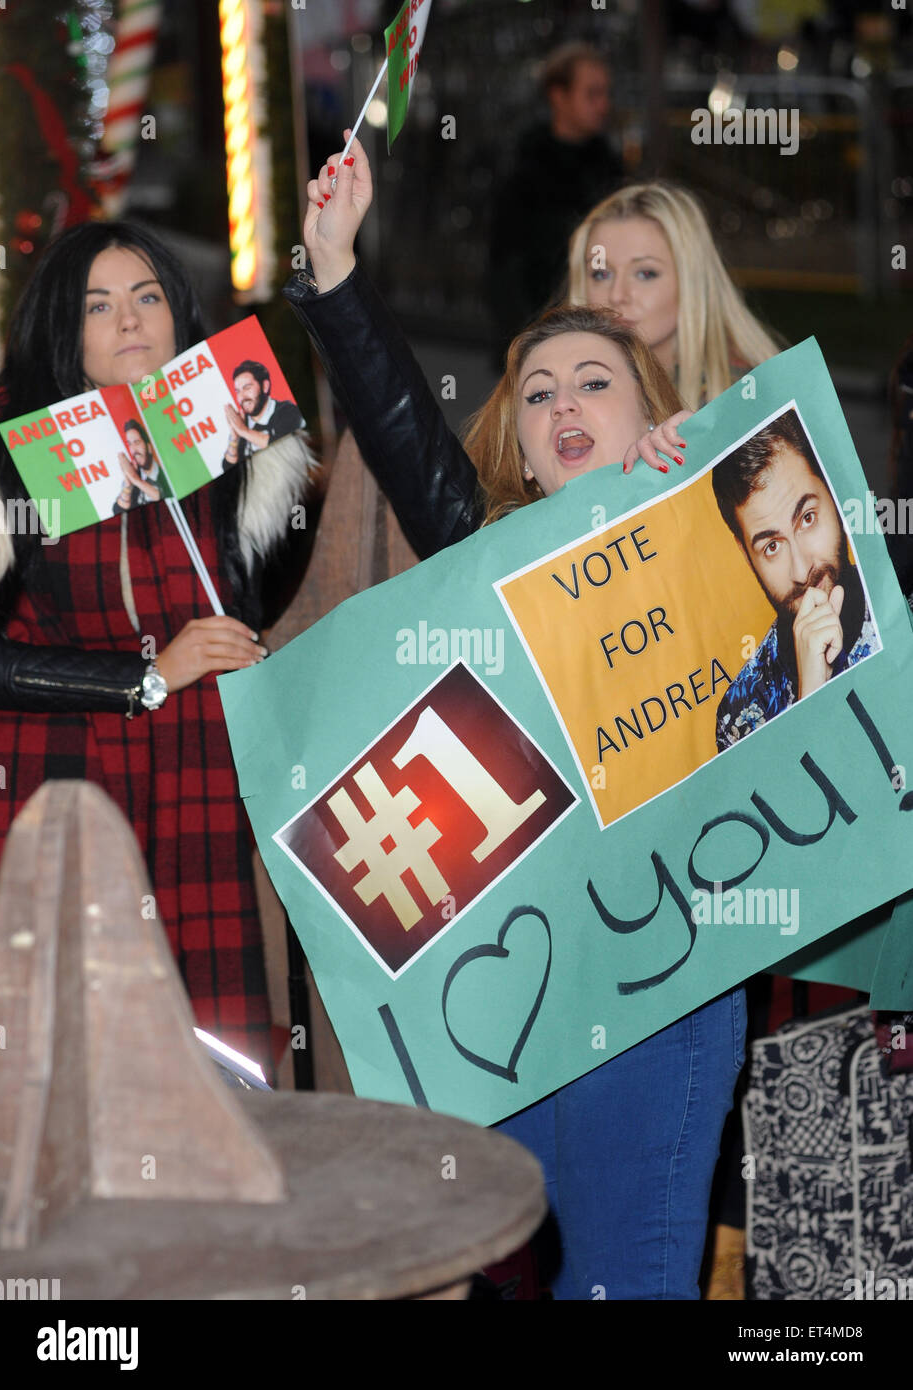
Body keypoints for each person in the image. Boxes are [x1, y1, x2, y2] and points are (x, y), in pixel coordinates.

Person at [285, 137, 743, 1301]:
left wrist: (684, 512)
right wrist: (333, 271)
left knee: (626, 1285)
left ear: (653, 414)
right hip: (504, 1000)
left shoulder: (719, 538)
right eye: (537, 395)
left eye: (595, 382)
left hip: (660, 1001)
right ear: (527, 461)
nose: (561, 404)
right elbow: (399, 431)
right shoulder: (484, 564)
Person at [0, 222, 313, 1077]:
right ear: (61, 325)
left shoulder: (226, 436)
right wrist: (145, 677)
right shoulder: (7, 448)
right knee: (65, 1075)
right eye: (98, 305)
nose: (129, 321)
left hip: (192, 788)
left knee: (204, 1075)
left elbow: (258, 600)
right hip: (50, 795)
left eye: (147, 297)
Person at [712, 408, 879, 751]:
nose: (802, 571)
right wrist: (811, 695)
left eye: (807, 518)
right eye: (772, 546)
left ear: (834, 495)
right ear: (746, 554)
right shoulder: (741, 715)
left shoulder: (901, 601)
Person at [567, 181, 780, 408]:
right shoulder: (559, 388)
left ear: (691, 283)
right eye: (601, 274)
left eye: (645, 273)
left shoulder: (743, 398)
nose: (618, 295)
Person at [486, 42, 623, 364]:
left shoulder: (610, 167)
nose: (603, 105)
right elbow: (504, 268)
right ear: (558, 96)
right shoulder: (524, 171)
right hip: (542, 335)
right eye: (592, 94)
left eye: (606, 93)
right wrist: (525, 342)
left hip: (605, 329)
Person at [223, 359, 305, 471]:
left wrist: (244, 431)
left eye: (247, 388)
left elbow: (284, 447)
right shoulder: (242, 421)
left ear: (265, 386)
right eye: (238, 391)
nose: (242, 397)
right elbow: (227, 468)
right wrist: (234, 437)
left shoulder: (288, 411)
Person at [113, 417, 166, 513]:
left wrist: (135, 480)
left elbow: (162, 495)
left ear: (149, 447)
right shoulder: (135, 474)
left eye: (137, 443)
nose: (133, 450)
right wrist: (128, 484)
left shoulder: (164, 470)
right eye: (129, 444)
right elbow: (117, 510)